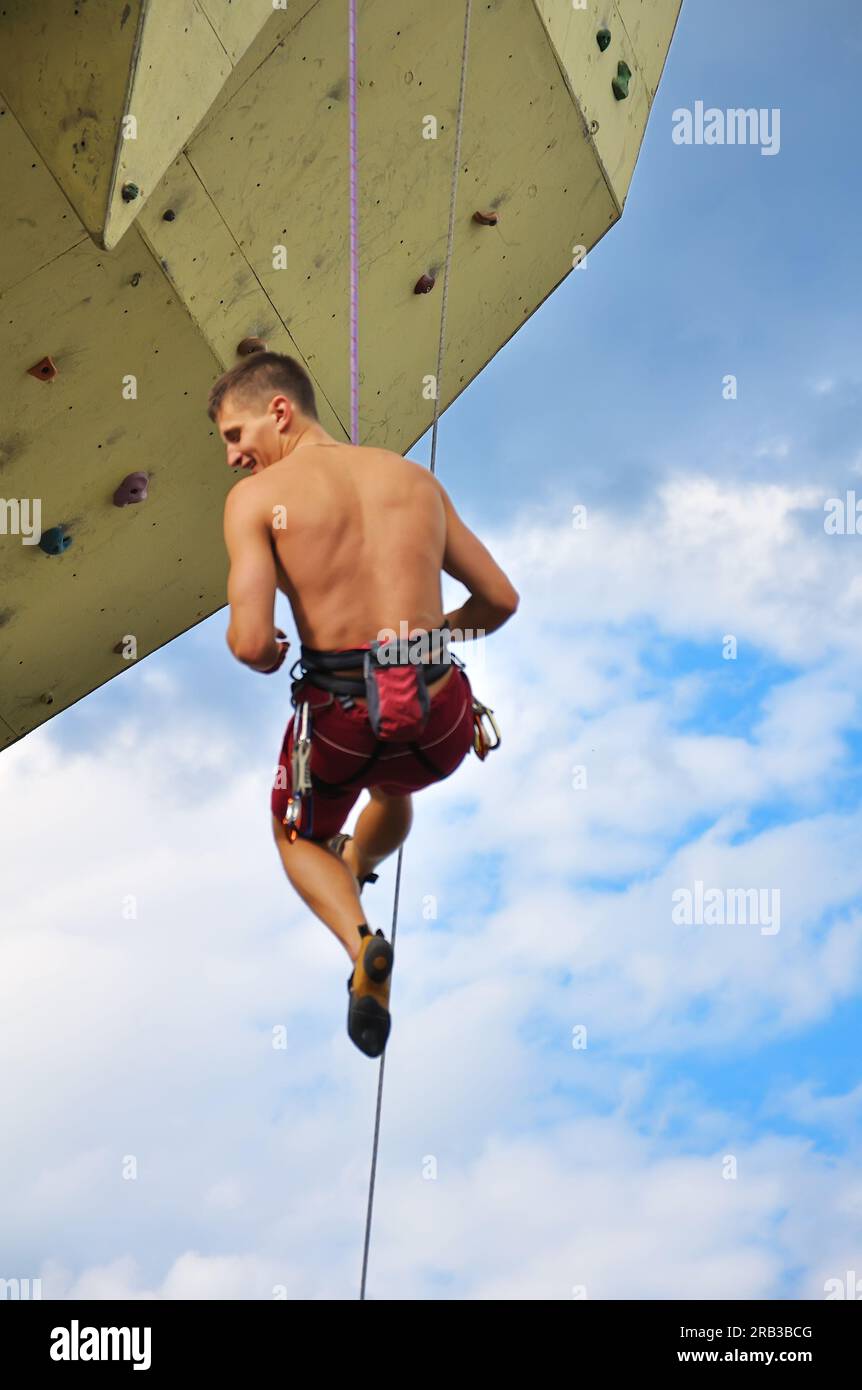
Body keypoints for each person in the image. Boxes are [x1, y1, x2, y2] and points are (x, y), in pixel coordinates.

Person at [207, 352, 518, 1056]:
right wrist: (427, 641)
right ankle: (352, 873)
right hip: (436, 717)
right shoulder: (415, 481)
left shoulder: (256, 502)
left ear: (280, 412)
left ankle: (361, 944)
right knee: (393, 785)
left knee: (297, 837)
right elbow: (500, 600)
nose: (232, 458)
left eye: (234, 435)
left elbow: (251, 639)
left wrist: (260, 650)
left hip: (343, 720)